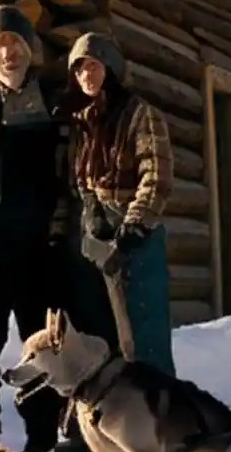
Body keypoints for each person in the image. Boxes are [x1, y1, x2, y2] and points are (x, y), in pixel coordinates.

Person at [0, 7, 117, 452]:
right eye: (0, 45)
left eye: (16, 43)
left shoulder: (56, 98)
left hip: (43, 247)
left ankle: (42, 443)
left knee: (45, 351)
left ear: (30, 49)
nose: (9, 53)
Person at [65, 31, 177, 375]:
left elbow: (156, 174)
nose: (87, 76)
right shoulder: (80, 122)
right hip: (97, 239)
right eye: (80, 69)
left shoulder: (140, 115)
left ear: (110, 69)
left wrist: (136, 222)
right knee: (105, 338)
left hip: (136, 240)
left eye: (94, 67)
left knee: (145, 339)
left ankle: (161, 417)